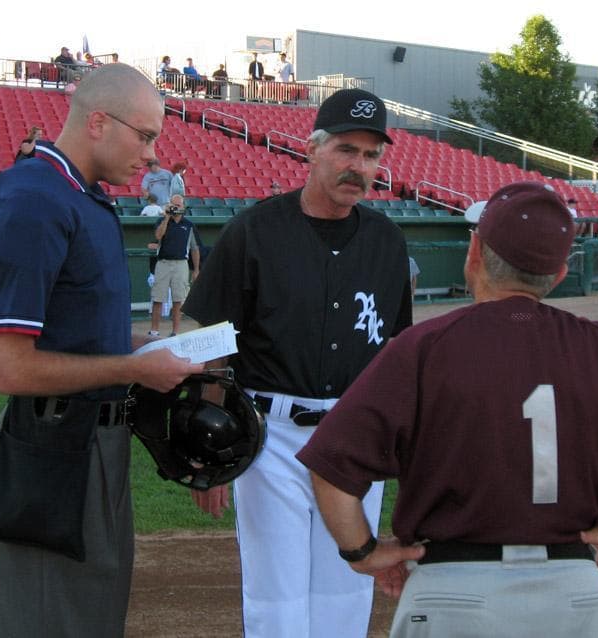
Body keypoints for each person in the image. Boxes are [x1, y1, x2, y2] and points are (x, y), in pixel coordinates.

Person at [296, 182, 598, 637]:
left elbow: (331, 466)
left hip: (453, 589)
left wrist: (362, 552)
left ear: (475, 252)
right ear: (561, 272)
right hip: (573, 591)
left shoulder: (423, 347)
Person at [0, 62, 203, 637]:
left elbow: (83, 335)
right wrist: (133, 367)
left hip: (94, 441)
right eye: (146, 135)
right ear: (98, 121)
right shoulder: (34, 196)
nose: (154, 154)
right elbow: (11, 367)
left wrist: (155, 349)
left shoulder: (84, 198)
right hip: (52, 449)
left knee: (93, 618)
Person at [183, 88, 412, 638]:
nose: (359, 166)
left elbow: (399, 355)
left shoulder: (386, 241)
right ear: (311, 150)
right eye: (345, 150)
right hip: (270, 439)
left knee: (346, 593)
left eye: (371, 155)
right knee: (277, 600)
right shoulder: (254, 232)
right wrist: (210, 452)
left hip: (355, 438)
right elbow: (210, 342)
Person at [147, 194, 199, 338]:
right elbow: (158, 236)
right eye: (173, 205)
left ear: (183, 207)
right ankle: (154, 330)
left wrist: (196, 269)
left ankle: (175, 331)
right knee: (158, 298)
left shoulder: (188, 225)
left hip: (181, 264)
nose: (176, 208)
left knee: (178, 299)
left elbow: (194, 248)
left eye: (179, 205)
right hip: (163, 262)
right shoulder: (161, 221)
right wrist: (167, 217)